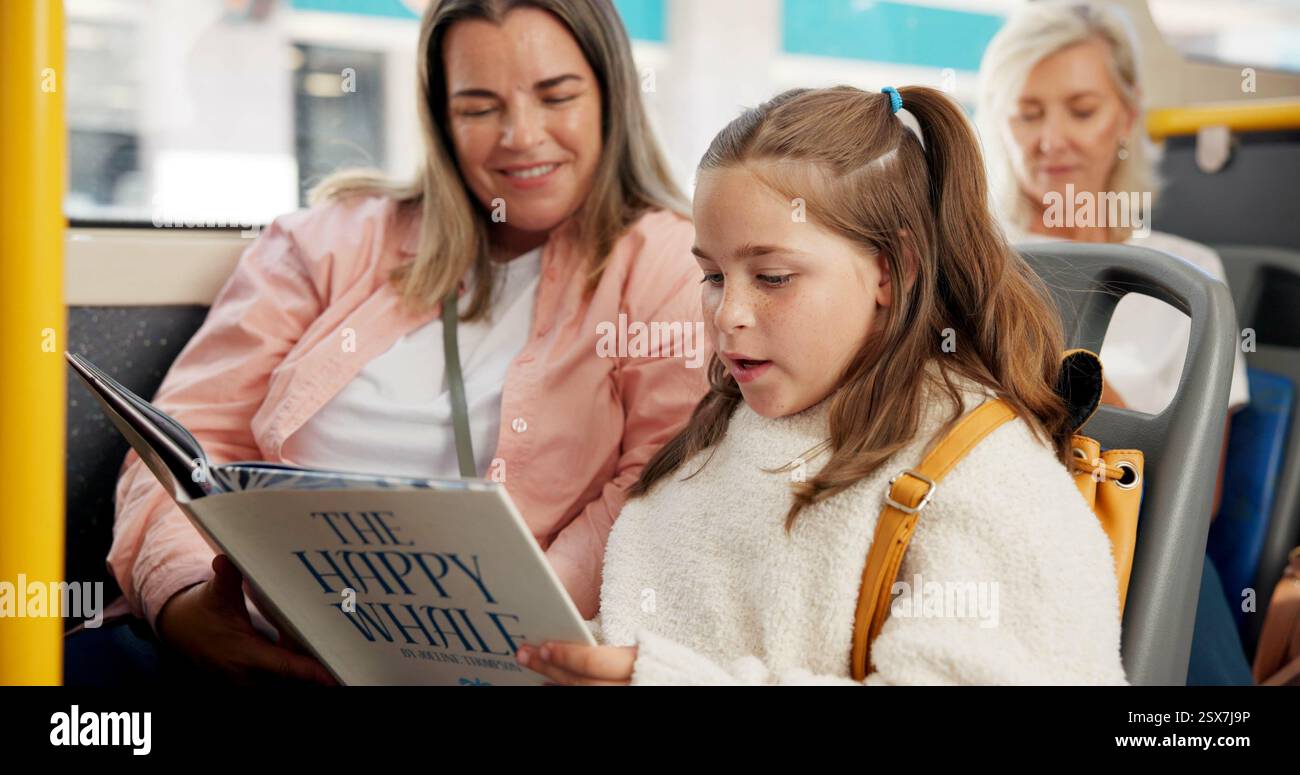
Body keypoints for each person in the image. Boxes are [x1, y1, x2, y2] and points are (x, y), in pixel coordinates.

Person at [77, 0, 707, 686]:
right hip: (259, 643)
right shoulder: (327, 242)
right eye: (477, 106)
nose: (521, 136)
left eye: (557, 96)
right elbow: (184, 439)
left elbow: (655, 484)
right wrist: (182, 602)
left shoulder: (670, 265)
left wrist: (505, 629)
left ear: (612, 96)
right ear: (440, 119)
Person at [513, 85, 1129, 685]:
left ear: (895, 270)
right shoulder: (721, 432)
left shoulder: (989, 475)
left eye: (774, 277)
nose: (728, 315)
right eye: (712, 276)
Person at [975, 2, 1249, 514]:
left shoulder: (1190, 275)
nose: (1052, 141)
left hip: (1132, 544)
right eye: (1028, 114)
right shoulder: (974, 257)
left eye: (1082, 111)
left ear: (1126, 115)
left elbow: (1198, 501)